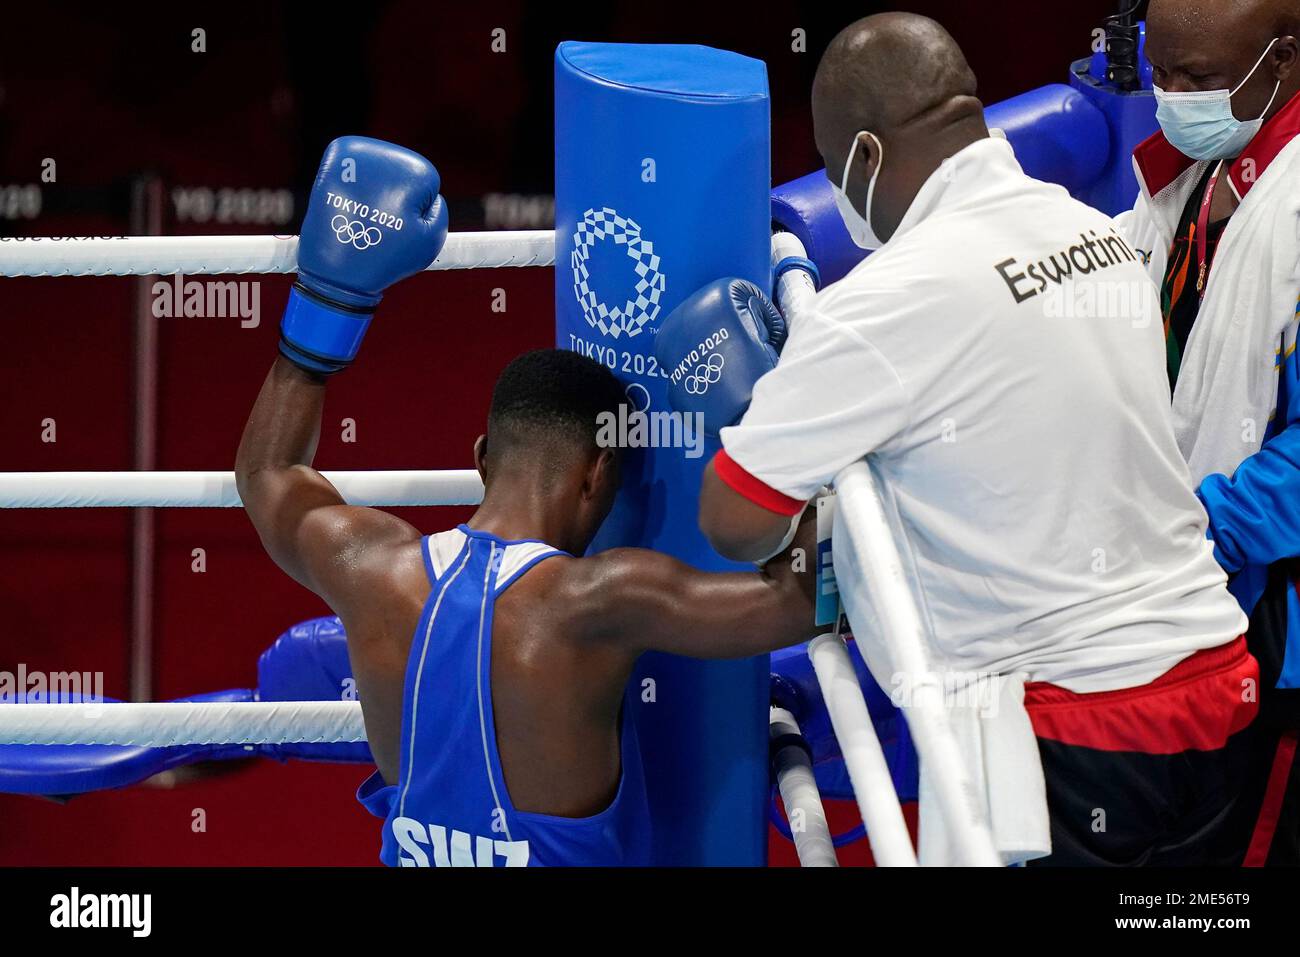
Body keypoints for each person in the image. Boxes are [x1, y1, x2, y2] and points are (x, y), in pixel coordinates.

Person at [659, 14, 1261, 865]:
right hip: (1220, 689)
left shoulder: (888, 297)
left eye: (836, 171)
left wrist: (762, 420)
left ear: (863, 157)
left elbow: (733, 517)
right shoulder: (1089, 230)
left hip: (1079, 723)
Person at [235, 136, 817, 867]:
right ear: (600, 473)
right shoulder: (601, 597)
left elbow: (266, 473)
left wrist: (330, 298)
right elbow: (805, 600)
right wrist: (764, 422)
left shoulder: (367, 564)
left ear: (482, 457)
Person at [1116, 0, 1300, 865]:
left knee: (1223, 861)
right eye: (1161, 74)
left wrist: (1202, 529)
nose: (1173, 97)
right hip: (1178, 582)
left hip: (1264, 604)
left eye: (1199, 80)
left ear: (1284, 57)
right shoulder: (1204, 167)